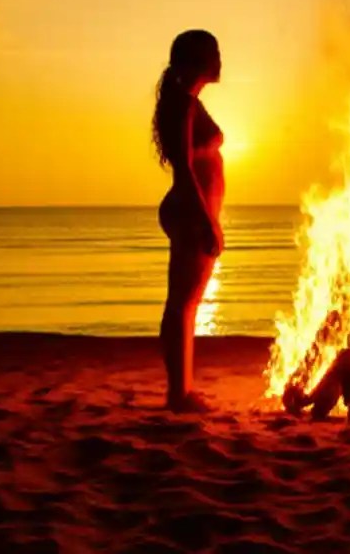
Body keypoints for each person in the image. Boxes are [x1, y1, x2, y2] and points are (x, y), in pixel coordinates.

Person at [152, 29, 225, 412]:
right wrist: (205, 220)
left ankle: (182, 390)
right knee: (183, 304)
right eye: (214, 52)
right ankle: (179, 395)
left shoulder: (188, 101)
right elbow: (183, 166)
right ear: (198, 60)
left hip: (191, 209)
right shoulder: (182, 104)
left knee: (185, 303)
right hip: (189, 210)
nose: (220, 59)